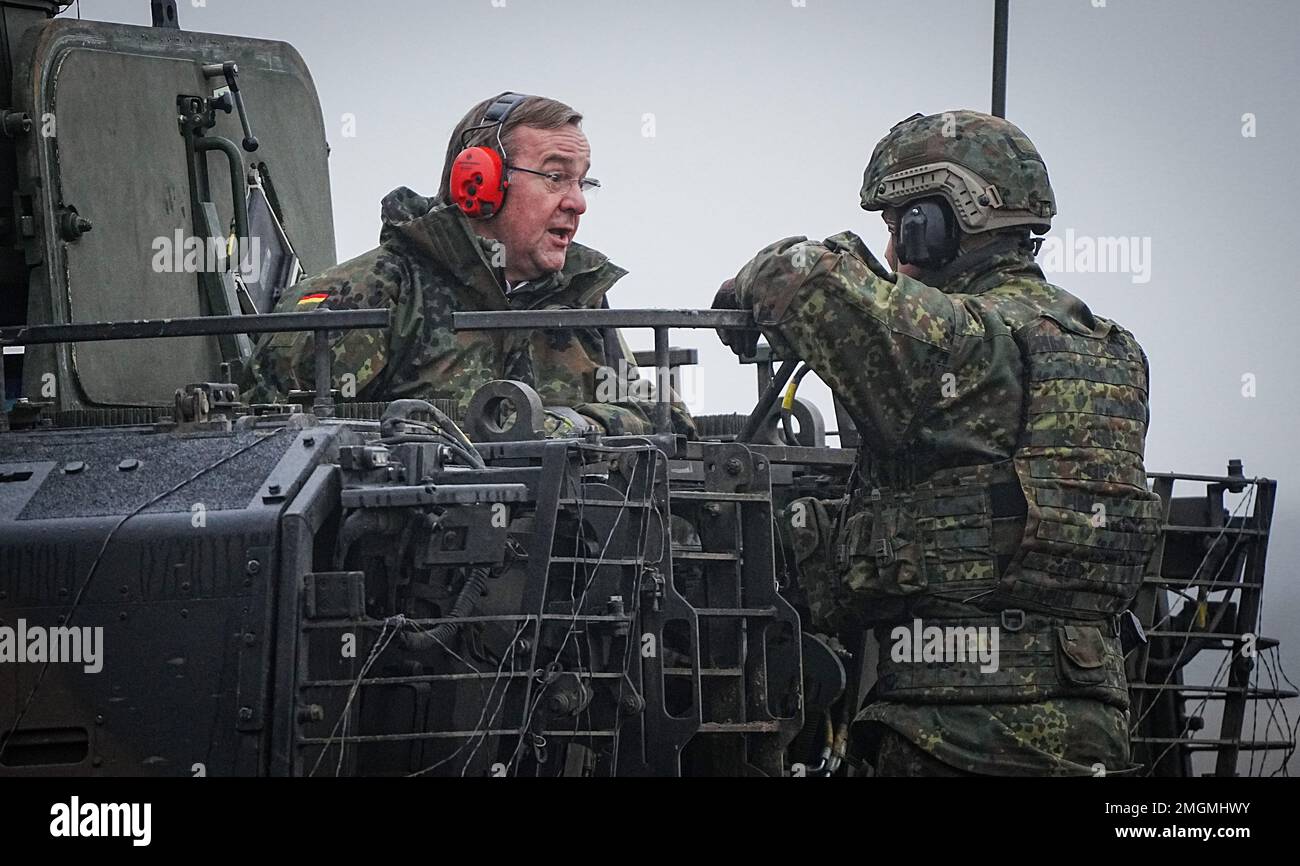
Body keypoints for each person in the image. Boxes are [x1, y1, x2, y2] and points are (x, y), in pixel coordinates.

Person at [712, 110, 1162, 776]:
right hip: (1091, 714)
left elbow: (799, 270)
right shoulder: (1112, 348)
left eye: (899, 226)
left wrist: (749, 289)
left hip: (952, 728)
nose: (895, 250)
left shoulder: (965, 342)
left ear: (942, 223)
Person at [241, 91, 693, 438]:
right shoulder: (363, 296)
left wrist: (571, 427)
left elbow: (662, 417)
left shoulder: (580, 297)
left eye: (582, 181)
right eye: (555, 177)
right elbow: (262, 448)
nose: (576, 203)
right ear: (479, 182)